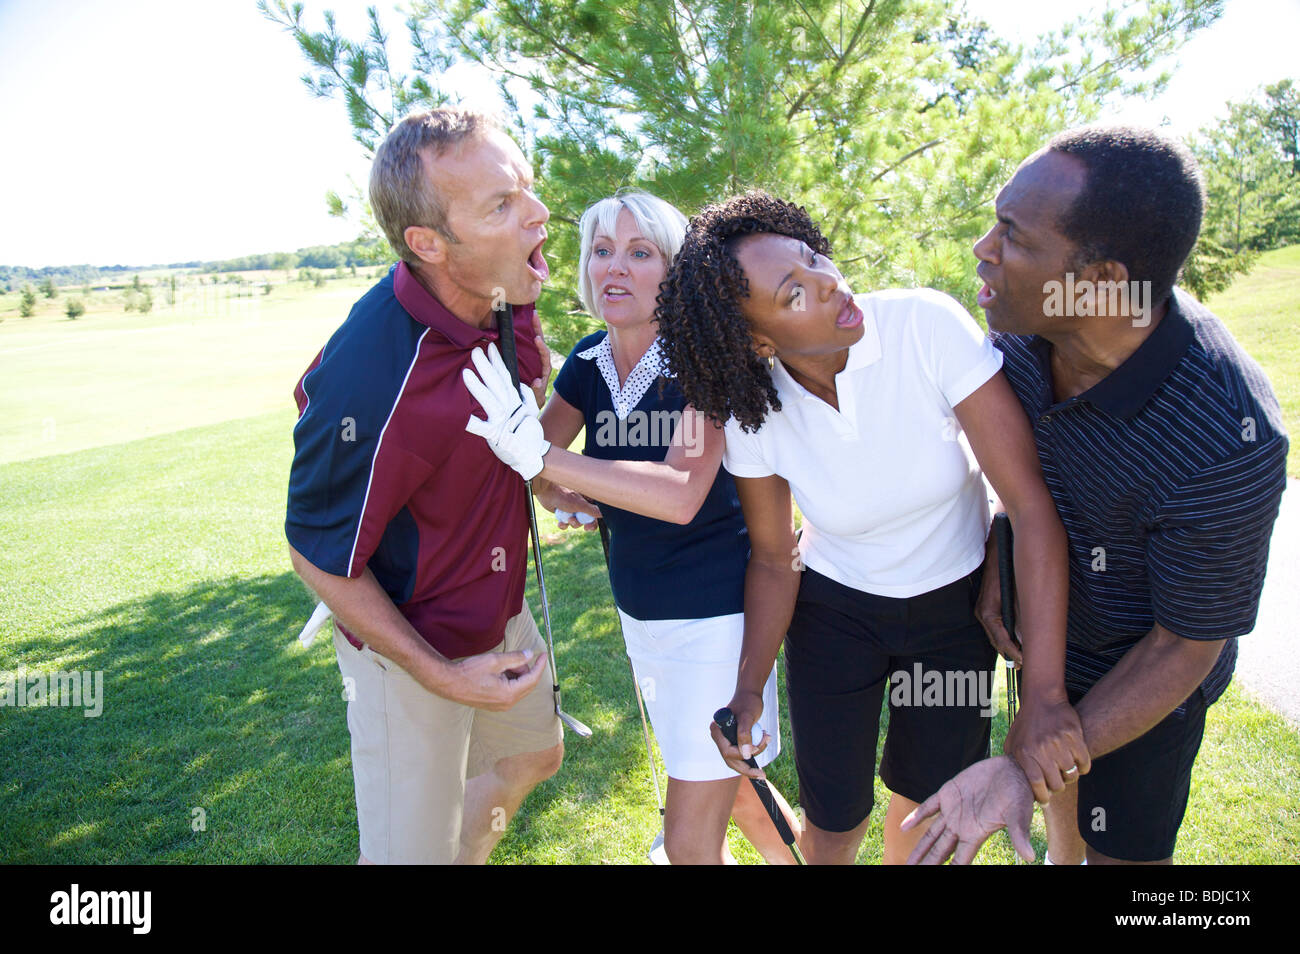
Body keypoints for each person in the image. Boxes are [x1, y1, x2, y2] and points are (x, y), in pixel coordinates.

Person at [648, 190, 1086, 864]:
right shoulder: (754, 412)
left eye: (815, 259)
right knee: (835, 819)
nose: (830, 284)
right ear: (758, 341)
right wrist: (745, 690)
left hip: (955, 613)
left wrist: (1048, 694)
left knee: (928, 815)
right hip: (836, 616)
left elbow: (1028, 506)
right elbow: (772, 558)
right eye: (794, 294)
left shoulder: (925, 327)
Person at [904, 125, 1288, 866]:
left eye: (1012, 235)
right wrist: (998, 555)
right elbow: (1020, 484)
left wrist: (1021, 767)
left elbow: (1183, 646)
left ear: (1102, 280)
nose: (983, 249)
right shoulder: (1015, 333)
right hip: (1044, 644)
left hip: (1144, 674)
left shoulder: (1227, 435)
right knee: (1063, 842)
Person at [463, 190, 801, 864]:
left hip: (717, 620)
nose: (614, 267)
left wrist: (552, 461)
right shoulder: (588, 363)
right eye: (601, 250)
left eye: (640, 252)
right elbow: (533, 463)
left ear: (675, 271)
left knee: (687, 843)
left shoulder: (699, 359)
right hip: (642, 616)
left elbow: (680, 493)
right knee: (736, 791)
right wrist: (560, 488)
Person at [284, 106, 564, 865]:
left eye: (527, 189)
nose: (539, 214)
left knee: (534, 756)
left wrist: (551, 481)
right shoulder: (371, 376)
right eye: (502, 206)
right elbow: (314, 551)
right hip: (408, 654)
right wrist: (441, 674)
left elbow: (509, 426)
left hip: (501, 620)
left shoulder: (508, 295)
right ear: (428, 243)